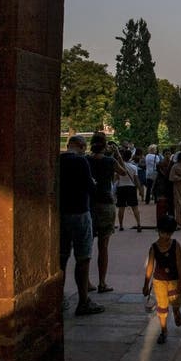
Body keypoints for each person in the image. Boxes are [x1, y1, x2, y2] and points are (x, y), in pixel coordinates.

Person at [59, 135, 104, 316]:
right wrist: (93, 184)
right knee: (83, 258)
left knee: (61, 258)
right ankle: (83, 301)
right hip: (80, 212)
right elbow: (90, 188)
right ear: (81, 146)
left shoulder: (58, 160)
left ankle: (58, 298)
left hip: (61, 213)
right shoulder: (81, 161)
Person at [86, 131, 126, 293]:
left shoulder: (86, 160)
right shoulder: (110, 161)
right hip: (106, 203)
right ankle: (102, 282)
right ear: (105, 145)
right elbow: (124, 172)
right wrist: (116, 153)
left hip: (89, 203)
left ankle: (87, 281)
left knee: (87, 245)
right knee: (103, 246)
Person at [142, 214, 181, 345]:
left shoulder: (176, 245)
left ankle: (176, 311)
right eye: (162, 233)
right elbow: (150, 267)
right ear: (158, 231)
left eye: (168, 234)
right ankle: (164, 330)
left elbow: (179, 264)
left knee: (175, 301)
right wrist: (146, 284)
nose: (165, 236)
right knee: (162, 306)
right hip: (159, 281)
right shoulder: (153, 248)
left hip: (173, 280)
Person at [116, 147, 144, 231]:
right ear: (130, 157)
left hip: (121, 187)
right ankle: (139, 224)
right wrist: (140, 190)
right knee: (135, 207)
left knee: (121, 207)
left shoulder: (119, 166)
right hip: (131, 187)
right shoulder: (134, 167)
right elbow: (136, 180)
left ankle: (121, 225)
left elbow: (117, 177)